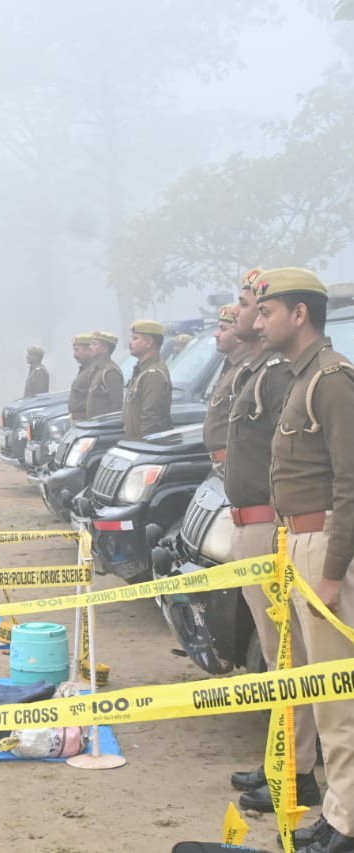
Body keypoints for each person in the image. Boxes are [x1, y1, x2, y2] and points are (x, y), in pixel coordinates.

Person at [259, 268, 354, 852]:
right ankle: (339, 809)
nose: (259, 319)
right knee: (319, 694)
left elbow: (349, 483)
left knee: (338, 695)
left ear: (300, 314)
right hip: (297, 543)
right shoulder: (300, 378)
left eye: (269, 310)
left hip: (325, 548)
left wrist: (332, 573)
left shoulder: (332, 380)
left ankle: (347, 826)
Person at [224, 271, 320, 814]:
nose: (248, 316)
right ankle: (283, 761)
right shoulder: (254, 369)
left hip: (273, 525)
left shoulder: (286, 375)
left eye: (257, 307)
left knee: (291, 656)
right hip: (252, 522)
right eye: (248, 307)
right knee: (277, 654)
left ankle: (296, 769)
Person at [202, 305, 249, 476]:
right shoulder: (230, 369)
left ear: (238, 334)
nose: (216, 334)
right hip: (222, 464)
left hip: (234, 464)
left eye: (223, 329)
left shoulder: (245, 371)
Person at [123, 319, 172, 440]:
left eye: (135, 338)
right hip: (135, 443)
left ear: (149, 342)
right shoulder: (143, 371)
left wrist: (145, 449)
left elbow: (150, 420)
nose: (130, 343)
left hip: (145, 446)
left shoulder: (153, 374)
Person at [85, 331, 123, 420]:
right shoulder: (97, 370)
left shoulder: (110, 372)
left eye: (94, 344)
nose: (90, 347)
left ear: (105, 348)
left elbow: (117, 407)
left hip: (104, 427)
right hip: (94, 424)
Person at [67, 333, 96, 423]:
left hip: (87, 420)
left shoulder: (94, 370)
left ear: (89, 350)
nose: (74, 354)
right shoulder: (84, 369)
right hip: (79, 420)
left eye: (77, 350)